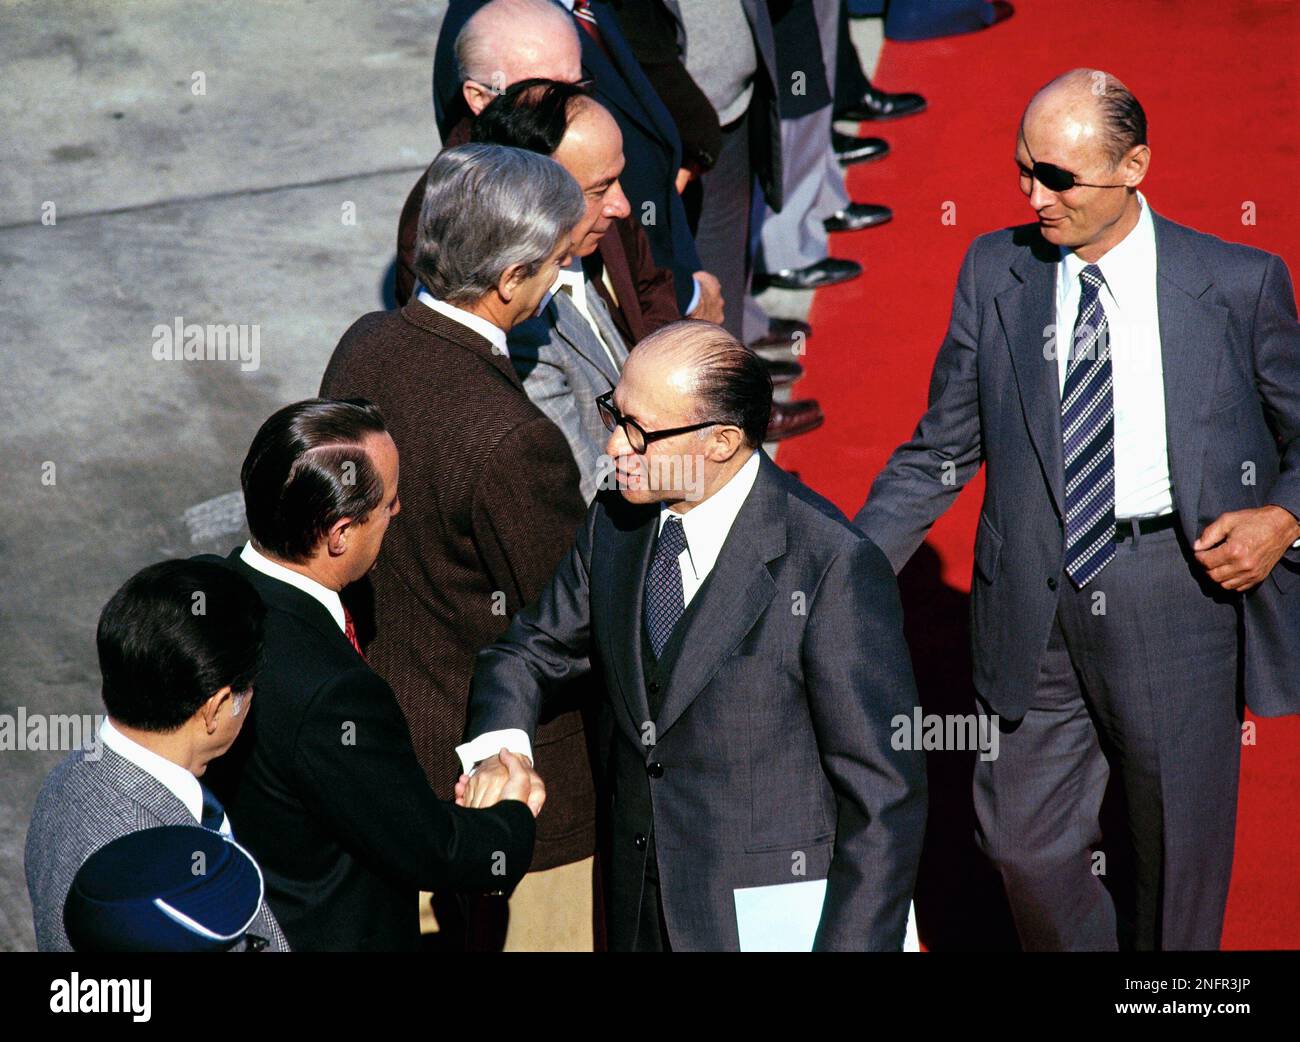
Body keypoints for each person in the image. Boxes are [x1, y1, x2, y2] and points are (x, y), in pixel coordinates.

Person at [855, 69, 1300, 950]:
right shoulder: (994, 266)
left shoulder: (1239, 283)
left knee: (1176, 866)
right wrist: (840, 568)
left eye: (1058, 177)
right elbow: (941, 450)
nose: (1032, 195)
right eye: (1023, 169)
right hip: (1030, 598)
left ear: (1134, 166)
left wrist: (1281, 519)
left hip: (1178, 596)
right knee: (1022, 848)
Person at [459, 319, 927, 950]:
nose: (614, 448)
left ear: (722, 442)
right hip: (634, 910)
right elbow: (529, 650)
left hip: (768, 923)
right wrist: (502, 749)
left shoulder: (831, 565)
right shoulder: (617, 518)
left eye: (640, 432)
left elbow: (883, 797)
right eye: (613, 414)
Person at [321, 144, 598, 951]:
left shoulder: (365, 343)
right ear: (511, 280)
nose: (562, 281)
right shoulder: (513, 441)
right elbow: (565, 627)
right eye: (557, 263)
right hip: (515, 790)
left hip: (389, 753)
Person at [202, 398, 539, 951]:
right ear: (338, 534)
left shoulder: (211, 590)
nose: (398, 509)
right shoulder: (334, 694)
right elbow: (431, 850)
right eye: (387, 503)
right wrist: (512, 815)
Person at [25, 559, 289, 952]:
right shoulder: (160, 882)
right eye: (248, 687)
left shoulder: (63, 783)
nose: (253, 698)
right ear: (215, 709)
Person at [432, 0, 719, 321]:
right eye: (548, 94)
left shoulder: (594, 188)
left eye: (577, 85)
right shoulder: (478, 223)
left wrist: (686, 296)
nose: (574, 109)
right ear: (479, 98)